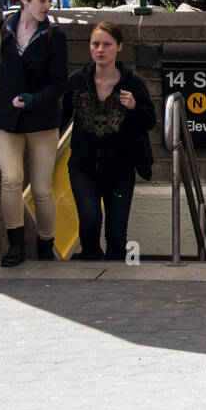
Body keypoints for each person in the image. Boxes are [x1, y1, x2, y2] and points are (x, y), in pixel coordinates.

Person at [0, 0, 68, 267]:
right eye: (42, 1)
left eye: (50, 1)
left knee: (41, 188)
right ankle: (15, 245)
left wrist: (34, 100)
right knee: (10, 180)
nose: (47, 7)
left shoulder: (53, 35)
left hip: (41, 119)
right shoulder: (2, 27)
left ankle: (45, 245)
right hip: (7, 118)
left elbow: (59, 83)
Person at [61, 22, 156, 261]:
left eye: (106, 44)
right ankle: (91, 268)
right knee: (90, 220)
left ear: (119, 47)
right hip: (83, 166)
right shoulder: (77, 81)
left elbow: (150, 120)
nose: (100, 50)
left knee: (116, 235)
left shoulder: (132, 83)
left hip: (120, 168)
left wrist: (134, 106)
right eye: (95, 44)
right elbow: (60, 118)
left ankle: (115, 285)